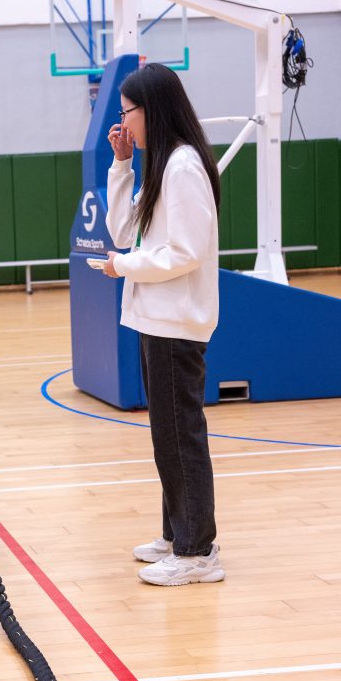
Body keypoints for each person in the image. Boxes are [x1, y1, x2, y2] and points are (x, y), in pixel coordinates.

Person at [102, 62, 225, 586]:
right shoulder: (160, 165)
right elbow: (123, 231)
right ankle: (178, 533)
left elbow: (186, 251)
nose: (123, 122)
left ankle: (198, 552)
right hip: (155, 318)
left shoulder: (184, 166)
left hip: (177, 321)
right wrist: (122, 165)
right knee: (166, 435)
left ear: (150, 109)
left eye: (127, 111)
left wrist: (125, 266)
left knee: (179, 436)